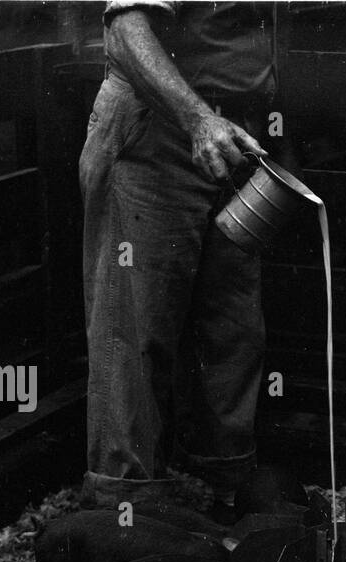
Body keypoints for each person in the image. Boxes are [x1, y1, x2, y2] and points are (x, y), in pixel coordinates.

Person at [79, 1, 278, 520]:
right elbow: (126, 29)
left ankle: (225, 499)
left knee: (232, 325)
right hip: (162, 130)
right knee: (133, 329)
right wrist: (196, 120)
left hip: (233, 132)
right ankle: (125, 519)